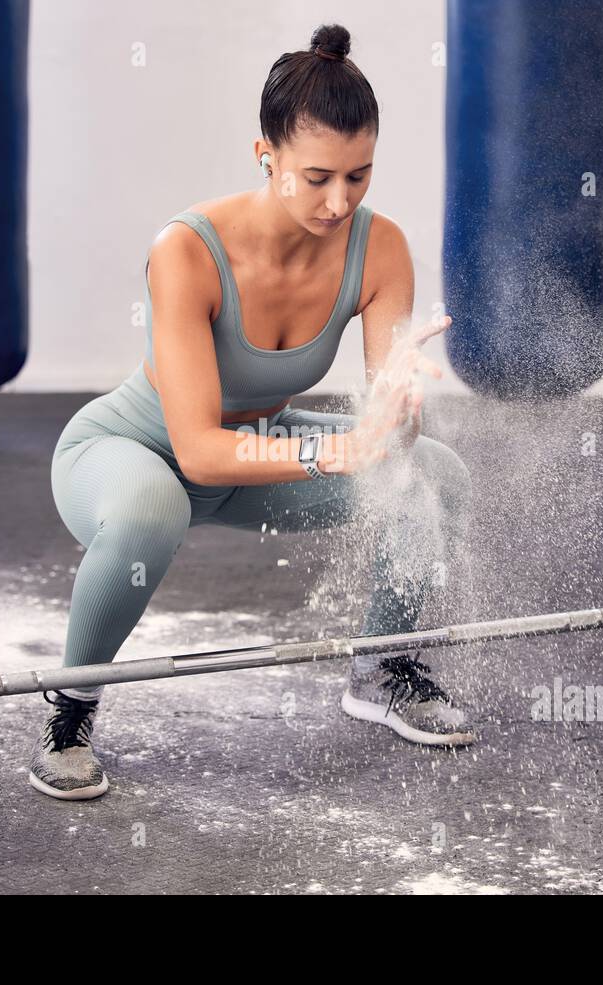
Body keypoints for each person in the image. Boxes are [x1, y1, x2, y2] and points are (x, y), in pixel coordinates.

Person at [31, 24, 475, 801]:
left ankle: (381, 665)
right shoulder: (187, 250)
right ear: (264, 154)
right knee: (152, 506)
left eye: (359, 176)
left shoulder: (383, 250)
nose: (339, 201)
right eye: (316, 177)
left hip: (261, 451)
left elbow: (387, 428)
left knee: (433, 474)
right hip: (138, 449)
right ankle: (70, 712)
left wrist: (401, 407)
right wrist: (340, 452)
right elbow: (198, 450)